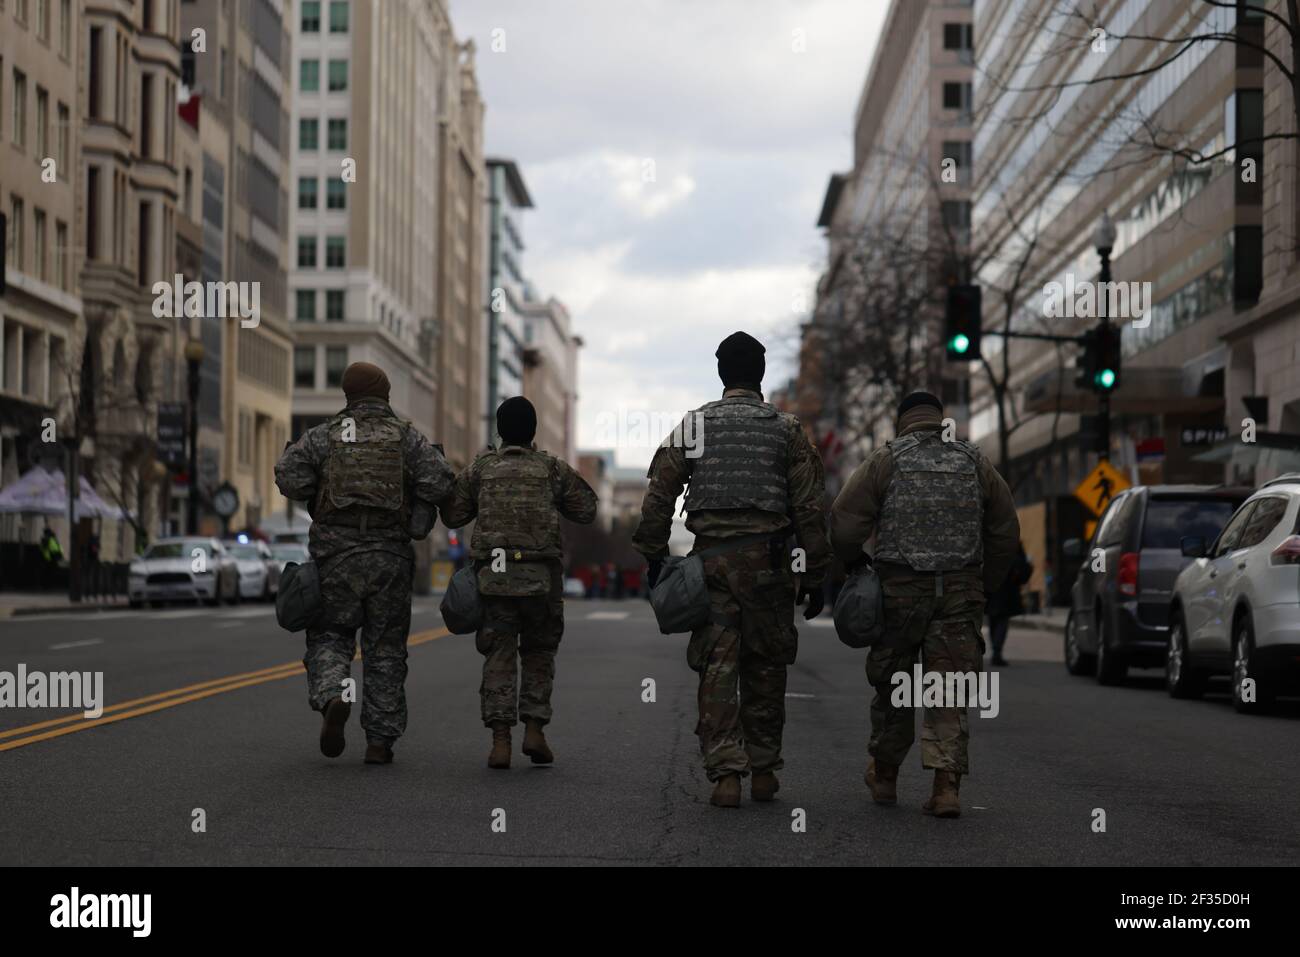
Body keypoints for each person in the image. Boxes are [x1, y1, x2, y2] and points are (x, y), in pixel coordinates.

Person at [633, 331, 829, 808]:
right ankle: (763, 771)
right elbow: (810, 509)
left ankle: (726, 775)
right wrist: (818, 572)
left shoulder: (696, 425)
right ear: (760, 375)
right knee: (766, 668)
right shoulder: (786, 429)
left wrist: (655, 554)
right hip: (770, 567)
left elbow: (660, 492)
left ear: (721, 373)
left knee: (718, 667)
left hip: (713, 567)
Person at [830, 391, 1019, 818]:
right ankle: (945, 788)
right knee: (948, 689)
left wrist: (854, 561)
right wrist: (983, 583)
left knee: (894, 687)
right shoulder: (975, 462)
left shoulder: (887, 460)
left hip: (900, 592)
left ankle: (884, 777)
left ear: (903, 422)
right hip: (959, 592)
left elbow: (843, 521)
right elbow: (1005, 529)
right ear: (941, 419)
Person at [274, 361, 454, 764]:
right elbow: (441, 483)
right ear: (385, 393)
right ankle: (379, 741)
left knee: (330, 637)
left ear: (347, 394)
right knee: (386, 648)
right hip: (389, 557)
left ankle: (334, 694)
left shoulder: (325, 436)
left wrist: (322, 484)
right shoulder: (406, 438)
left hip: (335, 558)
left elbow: (288, 477)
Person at [439, 397, 598, 769]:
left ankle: (499, 742)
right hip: (540, 579)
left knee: (499, 654)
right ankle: (534, 730)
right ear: (533, 432)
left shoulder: (481, 470)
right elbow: (586, 510)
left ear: (498, 429)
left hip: (494, 578)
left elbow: (453, 514)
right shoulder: (552, 469)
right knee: (539, 654)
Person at [986, 542, 1032, 666]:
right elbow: (1024, 566)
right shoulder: (1011, 541)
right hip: (1004, 588)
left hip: (996, 588)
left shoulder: (991, 541)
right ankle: (996, 651)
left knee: (996, 619)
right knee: (1000, 620)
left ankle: (996, 650)